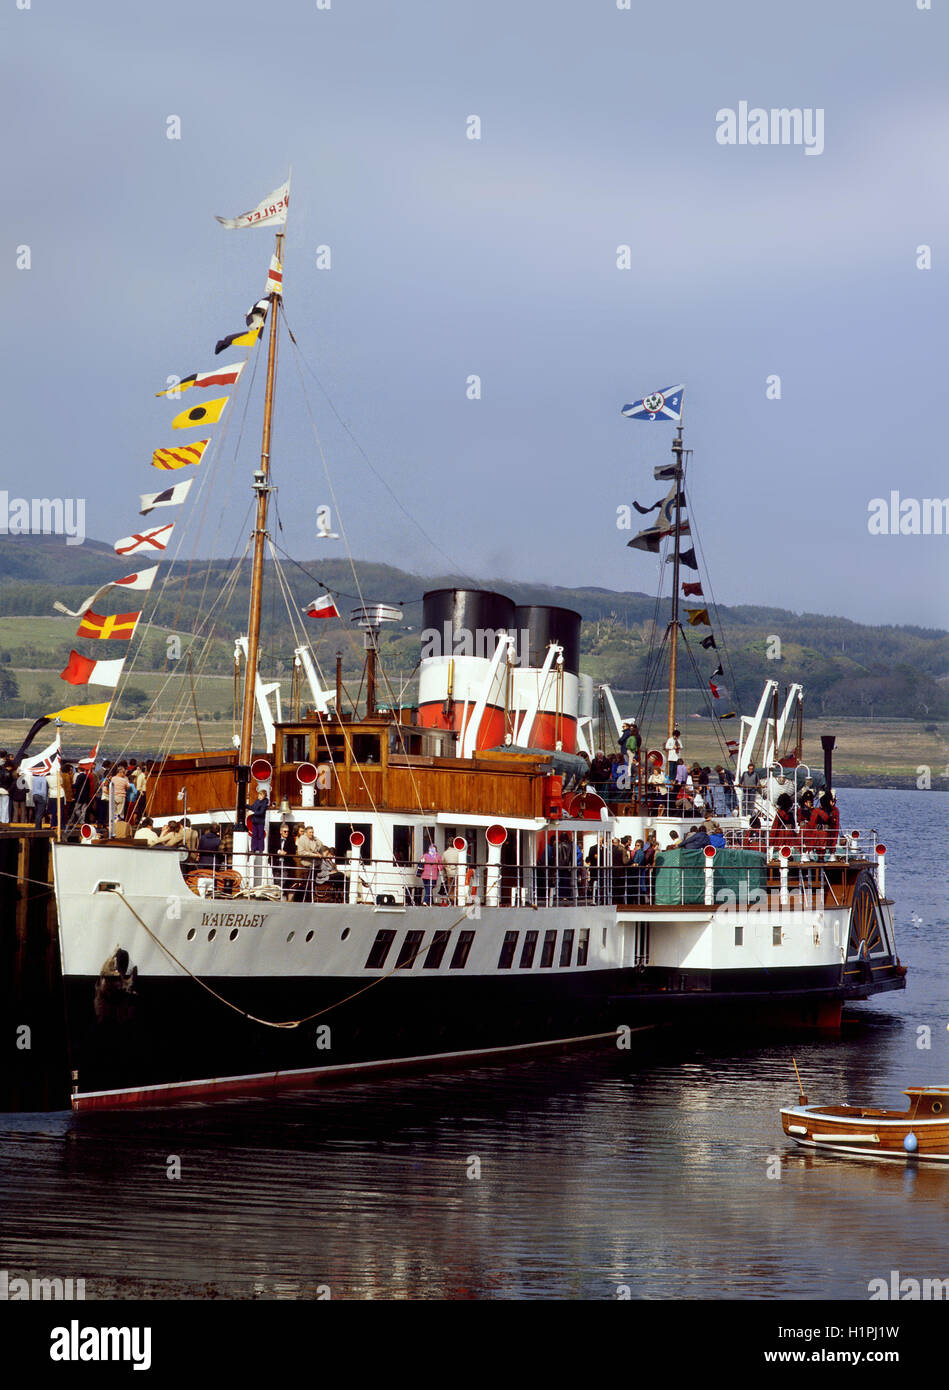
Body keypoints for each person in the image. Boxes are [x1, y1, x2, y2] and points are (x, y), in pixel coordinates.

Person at [249, 786, 270, 854]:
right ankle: (253, 848)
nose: (259, 796)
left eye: (261, 795)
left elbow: (261, 812)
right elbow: (252, 807)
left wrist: (253, 812)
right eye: (259, 795)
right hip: (255, 821)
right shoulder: (257, 801)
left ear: (264, 796)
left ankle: (261, 849)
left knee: (260, 835)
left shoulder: (264, 803)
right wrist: (245, 805)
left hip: (260, 822)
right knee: (254, 835)